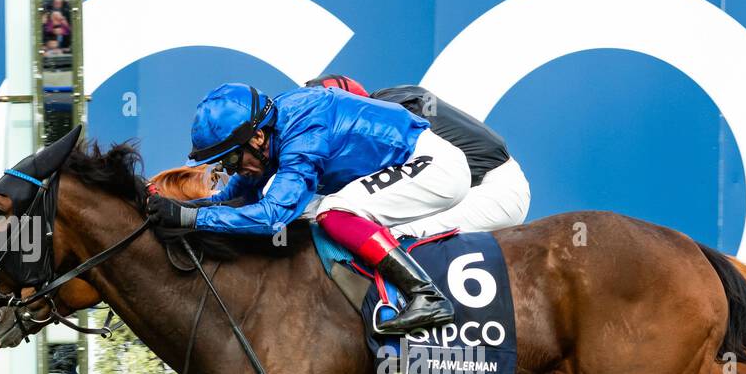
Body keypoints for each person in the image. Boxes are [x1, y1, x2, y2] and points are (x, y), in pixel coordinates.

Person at [148, 82, 469, 334]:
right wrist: (179, 210)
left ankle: (427, 296)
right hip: (412, 163)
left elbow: (272, 217)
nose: (230, 171)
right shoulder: (271, 132)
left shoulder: (303, 134)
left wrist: (193, 217)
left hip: (434, 166)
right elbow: (234, 198)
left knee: (334, 212)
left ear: (258, 137)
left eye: (231, 159)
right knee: (335, 214)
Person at [306, 74, 530, 236]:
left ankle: (423, 301)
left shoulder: (389, 111)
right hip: (468, 186)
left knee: (392, 236)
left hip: (491, 190)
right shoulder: (378, 115)